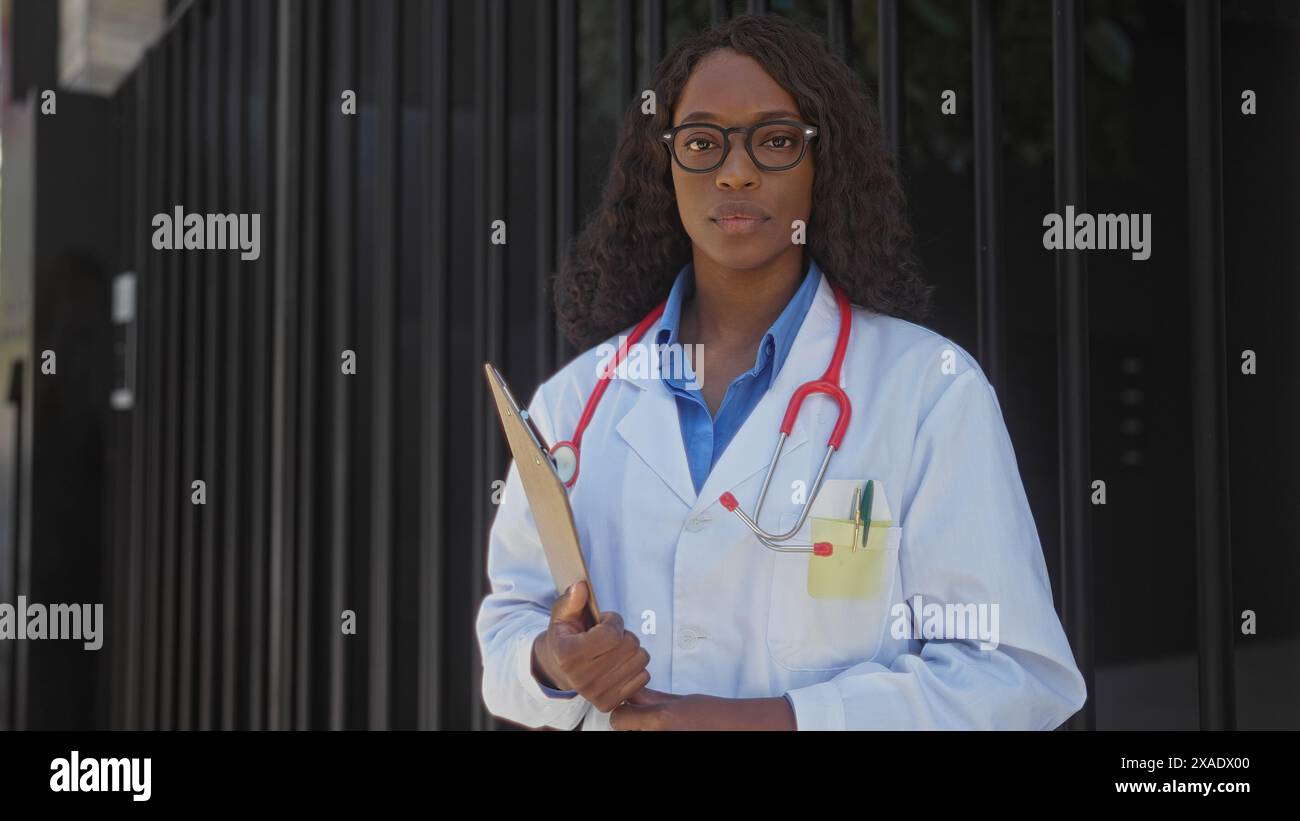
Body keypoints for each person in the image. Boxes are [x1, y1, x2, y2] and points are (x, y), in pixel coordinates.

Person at [476, 14, 1086, 730]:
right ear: (665, 166)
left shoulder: (929, 390)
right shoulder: (576, 401)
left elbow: (1015, 673)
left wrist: (777, 721)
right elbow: (510, 624)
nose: (735, 171)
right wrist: (553, 661)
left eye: (774, 140)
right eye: (702, 142)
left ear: (821, 164)